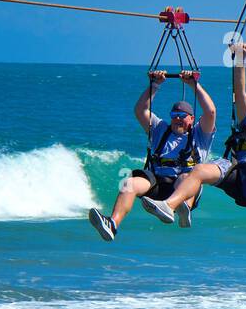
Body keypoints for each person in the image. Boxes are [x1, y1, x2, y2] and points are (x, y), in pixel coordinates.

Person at [144, 42, 246, 232]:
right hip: (238, 178)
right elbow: (240, 92)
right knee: (200, 169)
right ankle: (169, 206)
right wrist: (239, 57)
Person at [88, 69, 216, 241]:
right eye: (174, 115)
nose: (177, 119)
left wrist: (194, 85)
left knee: (186, 178)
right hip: (157, 182)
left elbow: (210, 112)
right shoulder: (159, 129)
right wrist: (155, 84)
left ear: (192, 119)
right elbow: (141, 110)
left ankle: (182, 208)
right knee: (129, 183)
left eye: (182, 116)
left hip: (183, 185)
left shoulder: (201, 134)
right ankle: (112, 224)